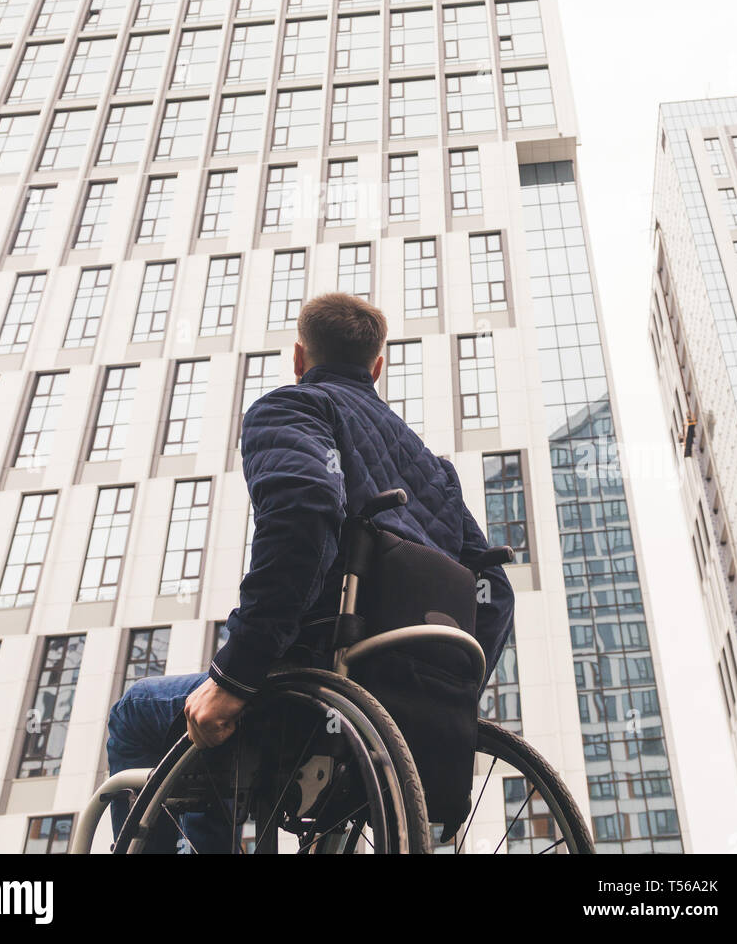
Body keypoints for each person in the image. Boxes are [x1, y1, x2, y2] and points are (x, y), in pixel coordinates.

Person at [106, 292, 515, 851]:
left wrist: (235, 676)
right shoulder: (435, 470)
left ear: (299, 358)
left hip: (314, 687)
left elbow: (303, 514)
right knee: (213, 761)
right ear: (377, 366)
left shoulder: (294, 409)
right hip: (405, 711)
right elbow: (494, 595)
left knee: (133, 714)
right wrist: (449, 695)